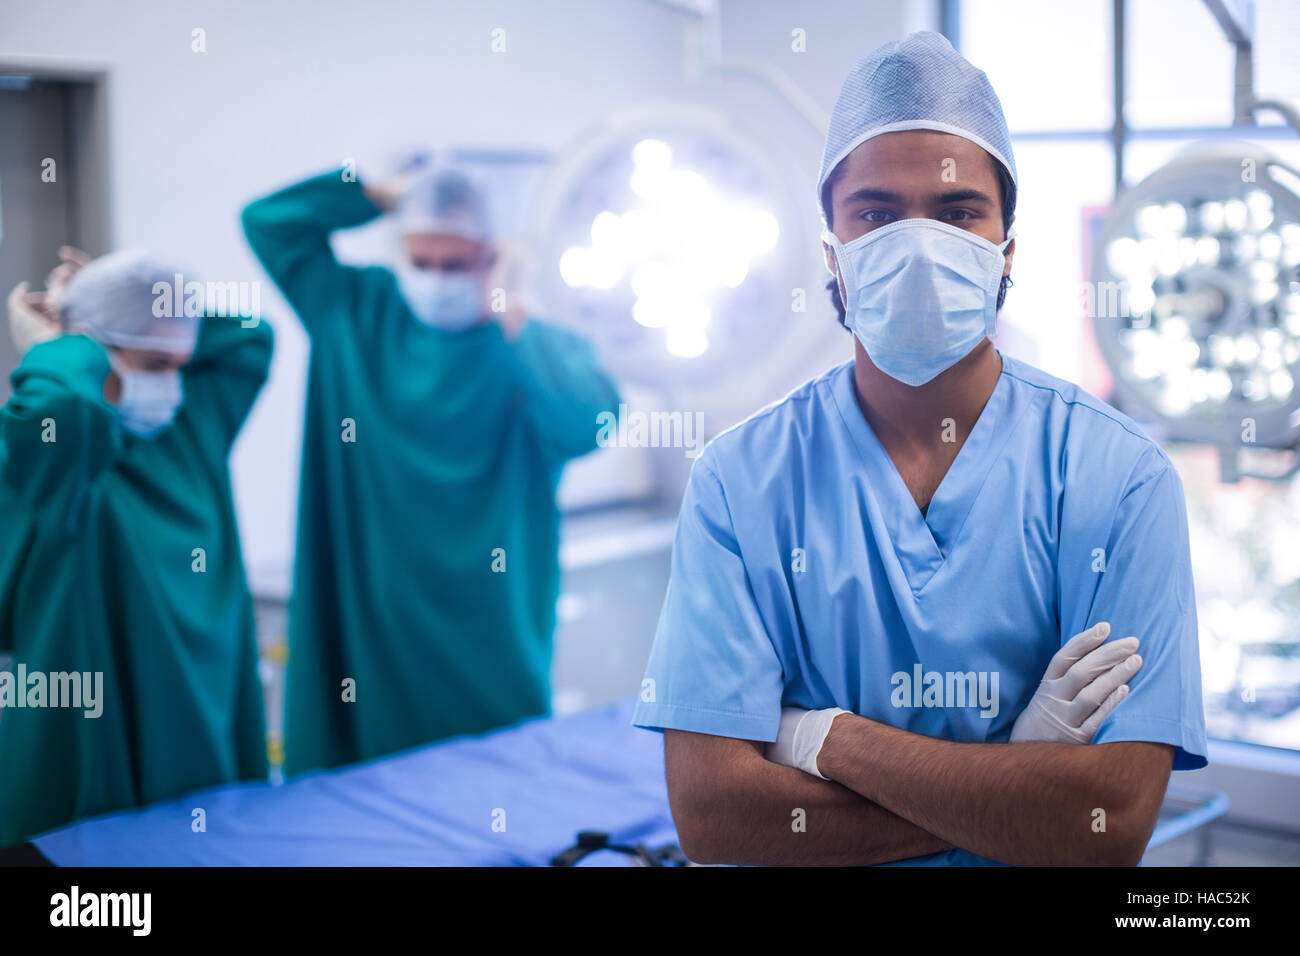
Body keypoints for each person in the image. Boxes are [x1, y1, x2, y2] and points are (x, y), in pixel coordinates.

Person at [633, 31, 1207, 866]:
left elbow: (1106, 824)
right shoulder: (742, 480)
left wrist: (827, 741)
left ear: (1007, 247)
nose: (918, 243)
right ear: (832, 252)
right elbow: (717, 817)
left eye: (957, 211)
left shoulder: (1119, 478)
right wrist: (1012, 781)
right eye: (876, 212)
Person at [242, 164, 620, 775]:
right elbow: (267, 224)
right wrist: (380, 193)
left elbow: (590, 425)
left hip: (488, 630)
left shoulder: (527, 344)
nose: (436, 279)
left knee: (494, 791)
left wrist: (513, 312)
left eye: (458, 265)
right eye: (422, 262)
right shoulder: (356, 313)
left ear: (493, 258)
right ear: (400, 251)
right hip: (366, 623)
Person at [0, 249, 272, 846]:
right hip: (91, 720)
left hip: (202, 721)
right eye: (152, 362)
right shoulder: (59, 451)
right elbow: (63, 404)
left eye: (180, 363)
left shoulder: (192, 427)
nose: (169, 382)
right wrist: (66, 340)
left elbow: (254, 334)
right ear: (94, 352)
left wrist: (147, 300)